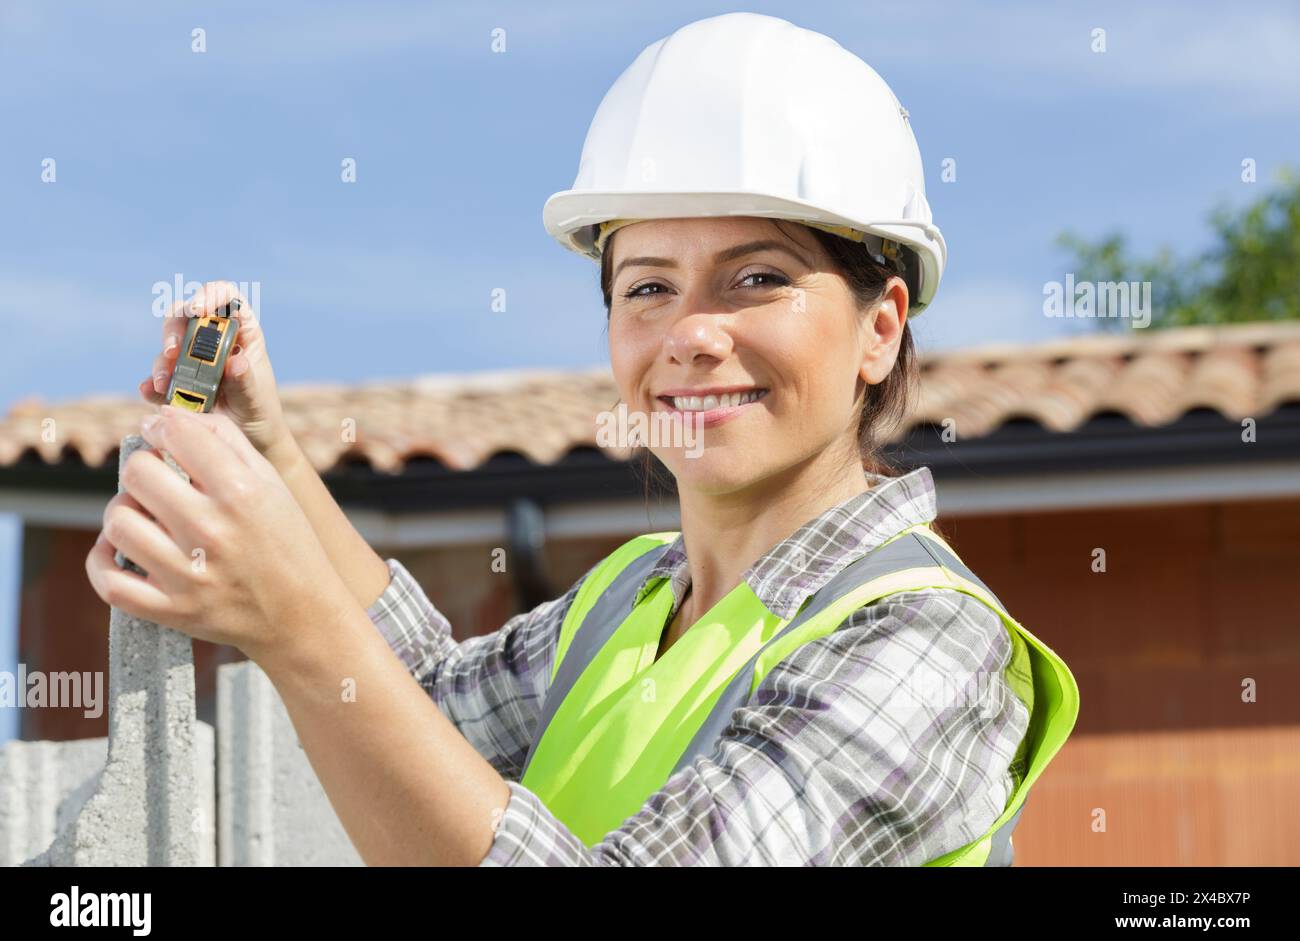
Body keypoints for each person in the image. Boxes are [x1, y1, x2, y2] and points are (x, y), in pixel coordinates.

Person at [86, 12, 1078, 866]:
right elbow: (417, 708)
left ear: (880, 326)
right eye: (647, 285)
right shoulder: (633, 594)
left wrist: (293, 623)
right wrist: (274, 457)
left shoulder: (924, 642)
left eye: (756, 277)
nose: (691, 334)